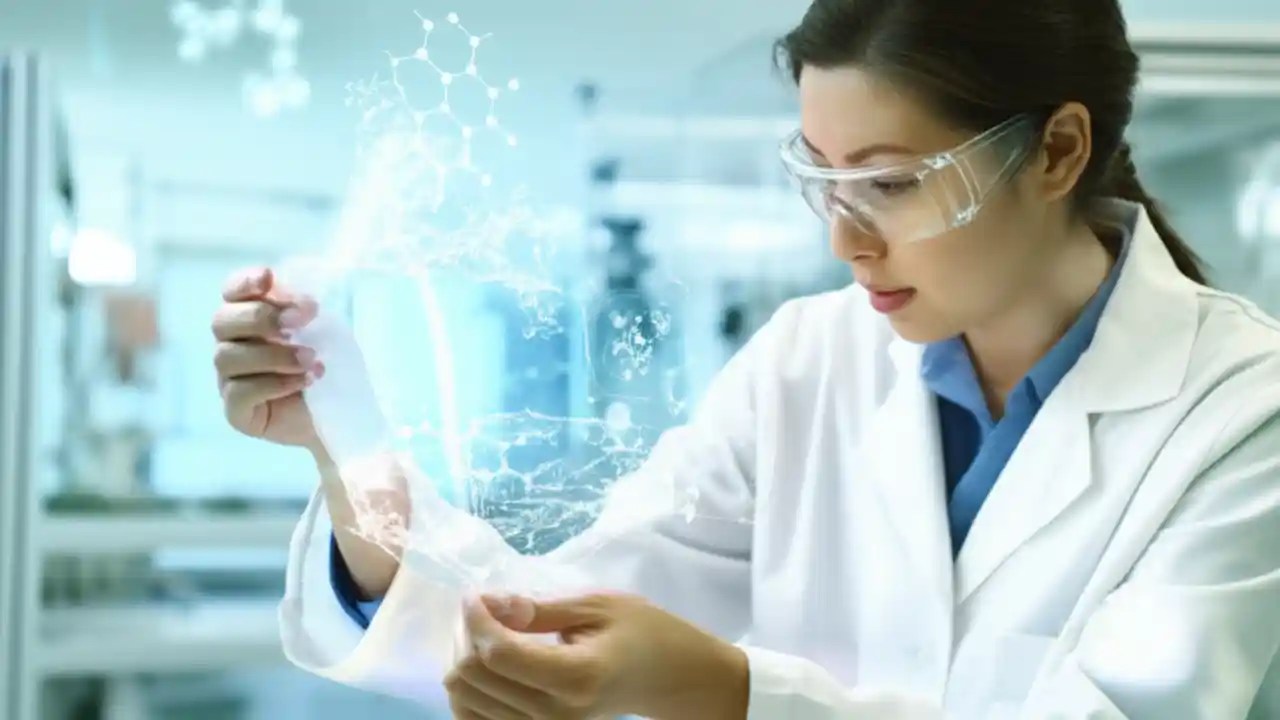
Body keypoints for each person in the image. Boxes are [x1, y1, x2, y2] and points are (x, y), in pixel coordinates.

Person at [212, 0, 1280, 717]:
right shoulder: (805, 363)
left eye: (893, 182)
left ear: (1055, 149)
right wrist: (346, 443)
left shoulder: (1240, 412)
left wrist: (731, 693)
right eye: (820, 178)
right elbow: (540, 620)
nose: (844, 241)